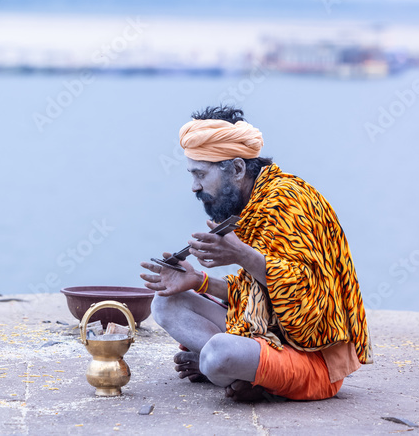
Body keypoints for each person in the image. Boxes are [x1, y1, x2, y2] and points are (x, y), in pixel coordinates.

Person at [139, 105, 372, 402]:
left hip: (313, 360)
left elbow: (306, 301)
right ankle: (241, 372)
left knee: (218, 353)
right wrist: (197, 281)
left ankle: (232, 370)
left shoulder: (289, 201)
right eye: (191, 174)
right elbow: (256, 292)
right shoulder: (253, 204)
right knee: (166, 303)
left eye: (200, 174)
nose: (194, 186)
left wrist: (241, 254)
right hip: (265, 337)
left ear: (237, 169)